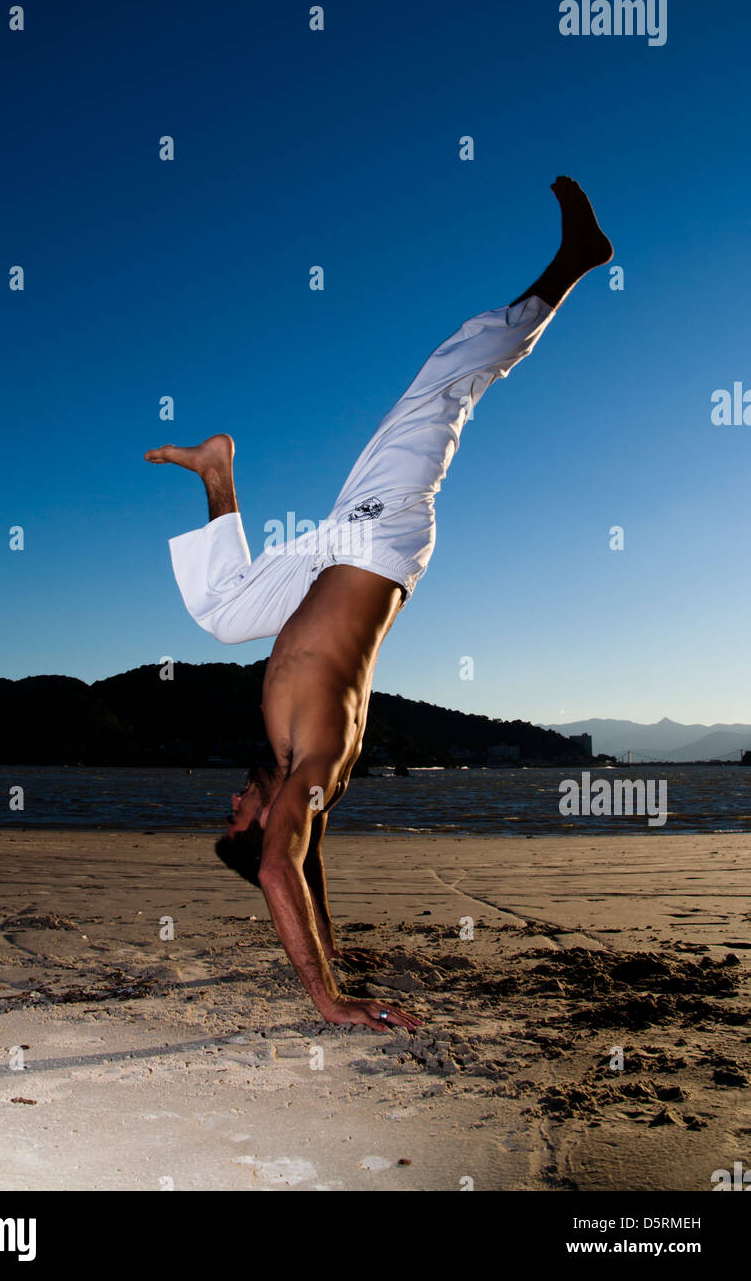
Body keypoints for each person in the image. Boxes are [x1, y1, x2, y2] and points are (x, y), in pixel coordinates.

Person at [146, 177, 613, 1033]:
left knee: (219, 611)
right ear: (265, 829)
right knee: (445, 379)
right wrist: (328, 999)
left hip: (331, 558)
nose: (232, 803)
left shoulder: (299, 779)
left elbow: (302, 868)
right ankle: (574, 264)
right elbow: (285, 870)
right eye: (236, 818)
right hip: (379, 540)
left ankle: (220, 469)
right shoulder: (313, 764)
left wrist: (327, 947)